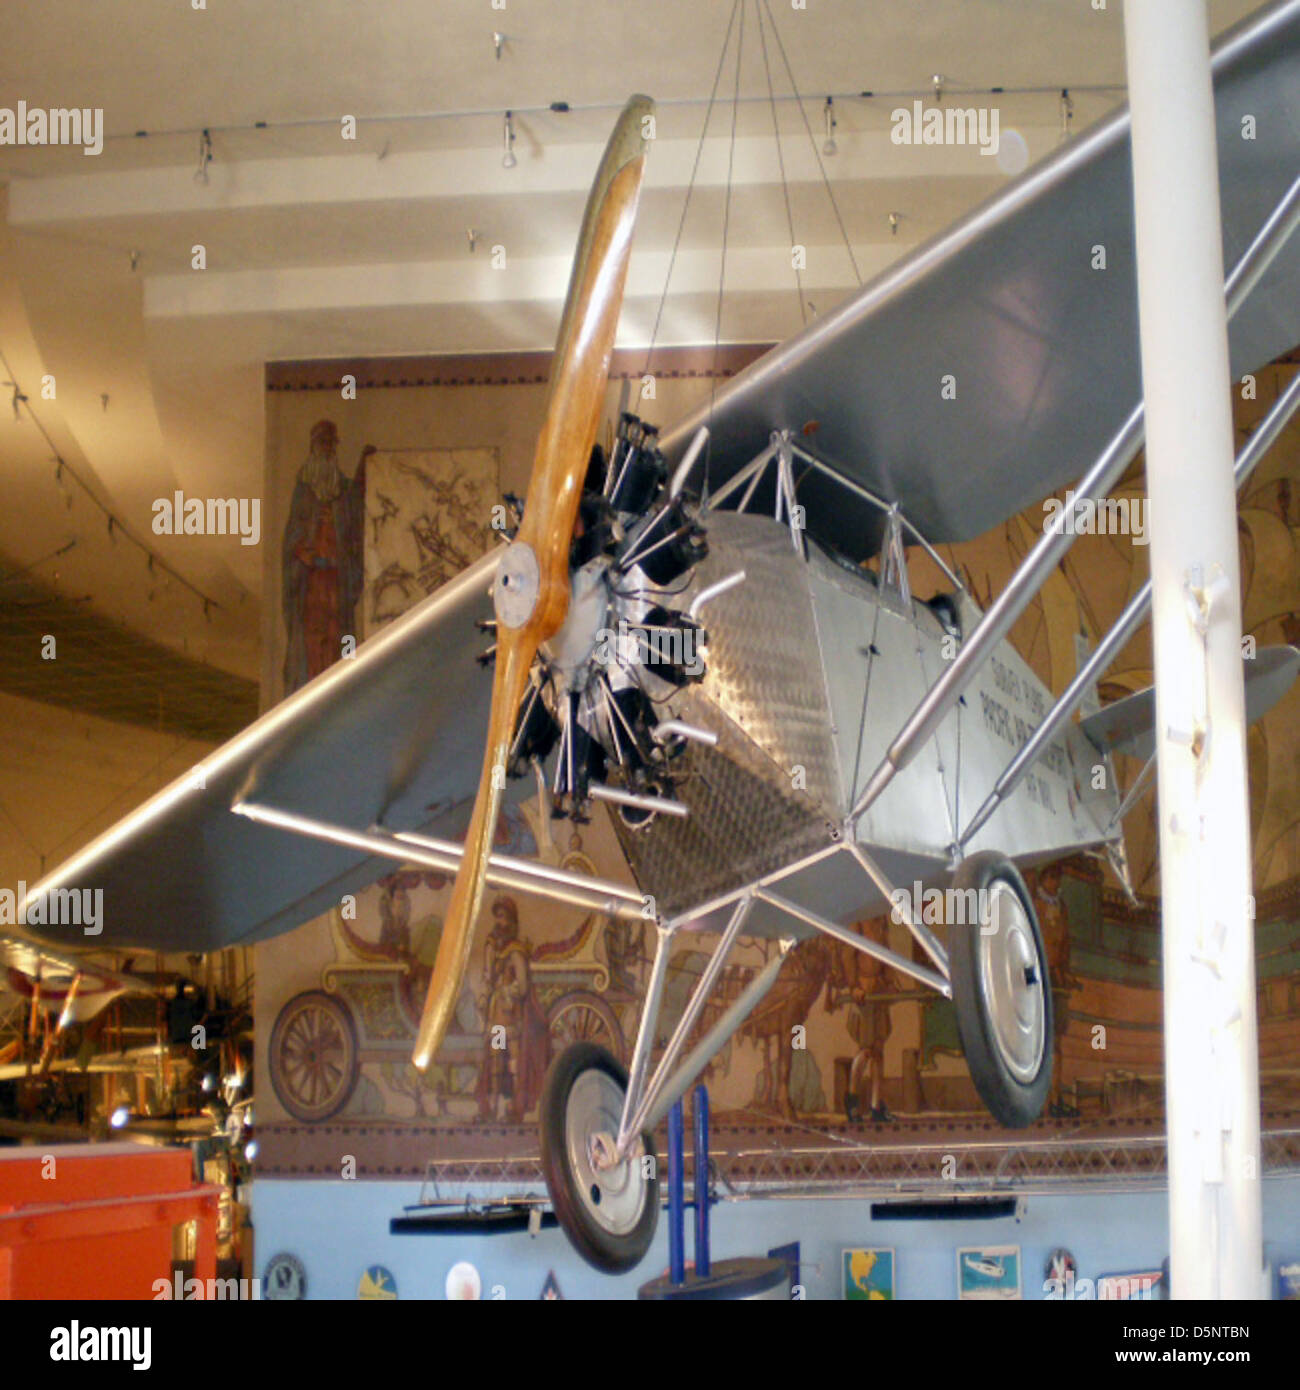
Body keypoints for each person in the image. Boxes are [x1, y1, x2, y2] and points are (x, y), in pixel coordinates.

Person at [281, 420, 370, 692]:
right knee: (313, 636)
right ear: (314, 446)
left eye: (331, 443)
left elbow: (354, 511)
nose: (327, 448)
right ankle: (309, 689)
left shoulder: (342, 488)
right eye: (323, 442)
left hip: (336, 579)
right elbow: (292, 535)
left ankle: (335, 692)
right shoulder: (304, 489)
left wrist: (364, 467)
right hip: (312, 581)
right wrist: (301, 551)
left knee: (336, 635)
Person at [474, 898, 550, 1122]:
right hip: (498, 1016)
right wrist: (484, 996)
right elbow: (488, 978)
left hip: (512, 1015)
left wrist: (509, 991)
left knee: (515, 1060)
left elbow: (523, 985)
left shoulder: (516, 952)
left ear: (511, 921)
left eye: (504, 917)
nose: (500, 922)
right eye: (498, 917)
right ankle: (496, 1105)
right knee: (497, 1059)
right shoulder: (493, 949)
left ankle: (518, 1105)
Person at [1035, 861, 1078, 1118]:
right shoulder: (1035, 907)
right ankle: (1041, 1102)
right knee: (1040, 1043)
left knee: (1057, 1041)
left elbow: (1066, 943)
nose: (1054, 883)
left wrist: (1064, 970)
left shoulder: (1061, 907)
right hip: (1037, 980)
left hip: (1057, 979)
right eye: (1050, 878)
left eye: (1057, 878)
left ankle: (1056, 1098)